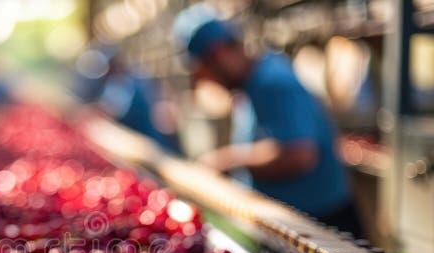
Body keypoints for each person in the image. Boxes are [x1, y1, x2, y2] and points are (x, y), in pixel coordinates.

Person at [173, 5, 362, 237]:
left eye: (203, 72)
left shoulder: (272, 83)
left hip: (321, 226)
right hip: (293, 224)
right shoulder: (252, 83)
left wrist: (227, 160)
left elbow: (299, 155)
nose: (206, 82)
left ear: (218, 55)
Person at [71, 47, 182, 155]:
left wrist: (88, 112)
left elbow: (110, 109)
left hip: (145, 139)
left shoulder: (125, 83)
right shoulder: (122, 81)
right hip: (140, 138)